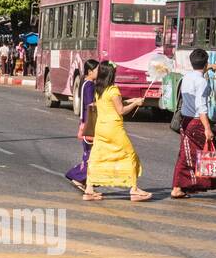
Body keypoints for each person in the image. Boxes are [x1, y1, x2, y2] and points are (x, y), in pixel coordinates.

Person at [172, 48, 216, 200]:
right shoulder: (202, 82)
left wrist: (209, 67)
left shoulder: (187, 77)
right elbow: (201, 108)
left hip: (185, 121)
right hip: (198, 122)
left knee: (185, 156)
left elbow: (197, 78)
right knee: (211, 154)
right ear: (205, 64)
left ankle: (177, 188)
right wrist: (207, 128)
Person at [84, 60, 152, 202]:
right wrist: (135, 103)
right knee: (130, 155)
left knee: (97, 157)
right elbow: (120, 110)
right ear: (111, 74)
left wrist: (129, 100)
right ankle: (134, 189)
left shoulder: (99, 89)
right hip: (113, 129)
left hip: (101, 128)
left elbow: (110, 104)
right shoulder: (113, 90)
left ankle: (89, 189)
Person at [65, 59, 101, 192]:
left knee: (89, 153)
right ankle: (76, 176)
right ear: (90, 71)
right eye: (98, 70)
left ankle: (86, 181)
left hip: (85, 122)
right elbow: (90, 105)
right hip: (89, 124)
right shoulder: (90, 85)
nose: (99, 72)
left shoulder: (84, 83)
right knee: (91, 155)